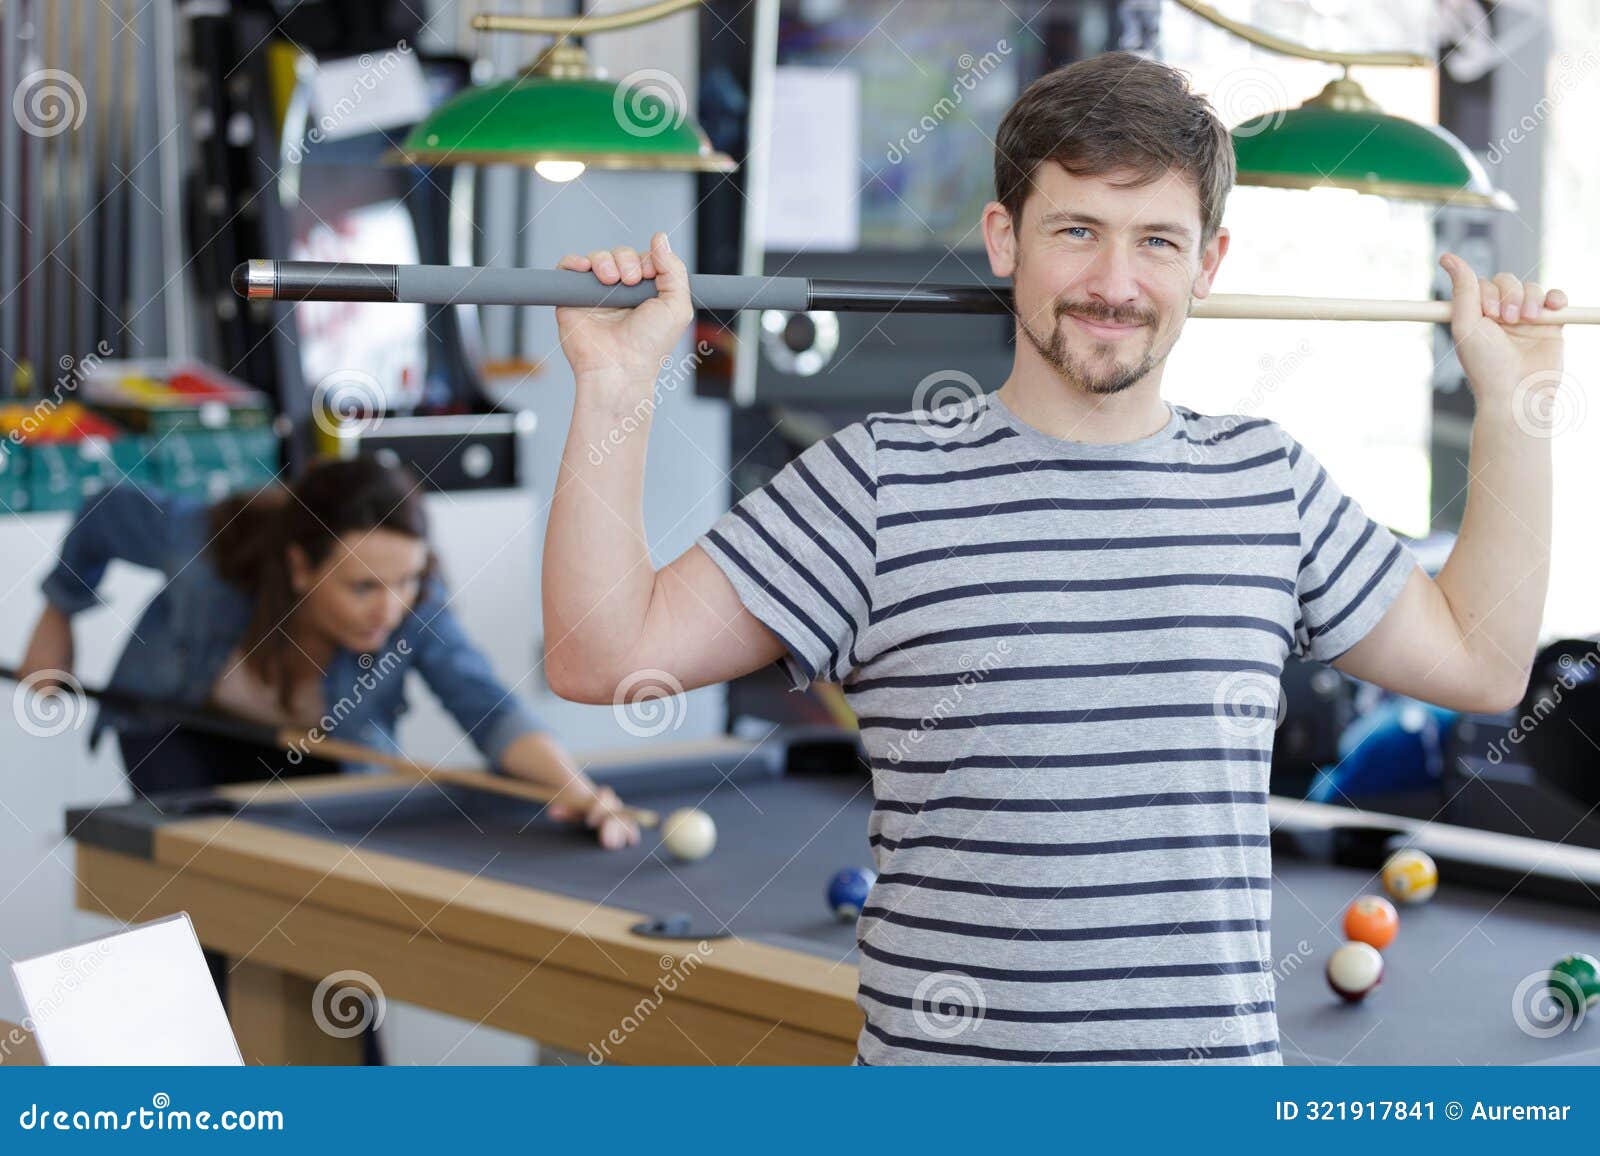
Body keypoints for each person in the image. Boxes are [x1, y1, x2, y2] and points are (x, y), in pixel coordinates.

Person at [540, 51, 1564, 1065]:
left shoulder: (1268, 481)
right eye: (1076, 231)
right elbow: (600, 653)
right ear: (1003, 239)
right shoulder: (880, 481)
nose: (1114, 284)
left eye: (1157, 240)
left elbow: (1480, 665)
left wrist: (1516, 411)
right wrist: (615, 384)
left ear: (1207, 263)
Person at [20, 455, 638, 849]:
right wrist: (58, 618)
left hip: (315, 749)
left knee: (331, 918)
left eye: (407, 581)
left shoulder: (415, 609)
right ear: (300, 567)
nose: (389, 609)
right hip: (180, 728)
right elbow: (105, 508)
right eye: (364, 586)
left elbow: (486, 706)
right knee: (209, 902)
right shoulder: (208, 550)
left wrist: (576, 789)